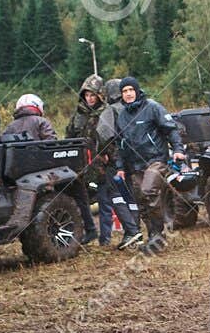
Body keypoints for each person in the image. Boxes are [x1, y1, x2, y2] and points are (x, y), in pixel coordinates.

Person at [113, 76, 186, 241]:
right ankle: (153, 233)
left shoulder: (152, 107)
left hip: (156, 160)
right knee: (141, 201)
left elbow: (170, 129)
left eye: (131, 90)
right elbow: (120, 144)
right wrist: (120, 168)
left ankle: (159, 232)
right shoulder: (122, 116)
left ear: (137, 91)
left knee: (148, 191)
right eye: (125, 91)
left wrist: (177, 149)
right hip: (134, 165)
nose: (129, 93)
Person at [95, 78, 143, 248]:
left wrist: (105, 153)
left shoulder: (110, 111)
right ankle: (136, 231)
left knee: (115, 194)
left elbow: (104, 135)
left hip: (116, 161)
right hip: (134, 159)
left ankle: (131, 231)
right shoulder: (134, 108)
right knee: (131, 195)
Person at [64, 74, 107, 245]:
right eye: (87, 95)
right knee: (82, 199)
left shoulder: (106, 112)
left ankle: (107, 235)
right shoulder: (78, 114)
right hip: (80, 163)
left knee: (105, 199)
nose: (89, 99)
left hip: (101, 162)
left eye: (93, 95)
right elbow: (69, 136)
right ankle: (90, 230)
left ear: (99, 95)